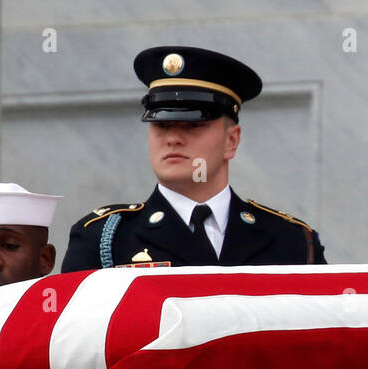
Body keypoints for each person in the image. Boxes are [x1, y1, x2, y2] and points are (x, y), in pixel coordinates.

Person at [60, 46, 327, 271]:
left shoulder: (292, 241)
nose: (173, 138)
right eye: (161, 126)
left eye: (192, 126)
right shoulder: (103, 237)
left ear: (231, 141)